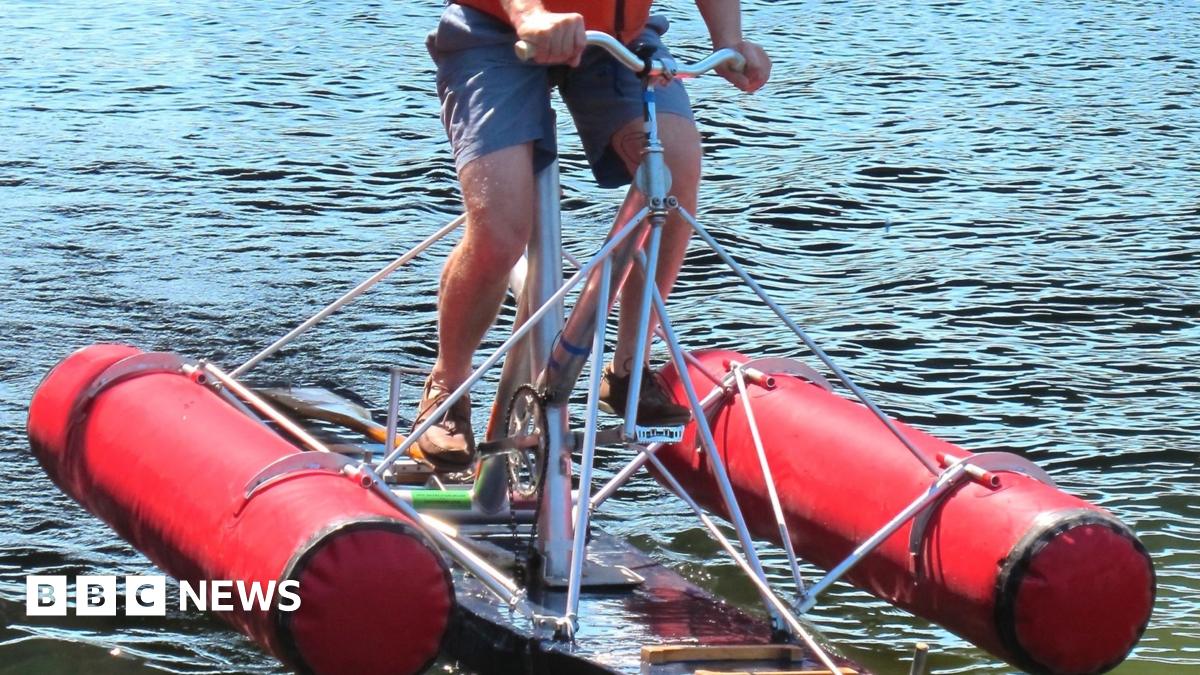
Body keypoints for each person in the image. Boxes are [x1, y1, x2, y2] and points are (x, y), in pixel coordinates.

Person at [417, 0, 771, 466]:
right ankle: (448, 387)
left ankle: (628, 370)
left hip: (613, 41)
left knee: (673, 171)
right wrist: (528, 16)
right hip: (495, 29)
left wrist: (728, 39)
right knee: (501, 229)